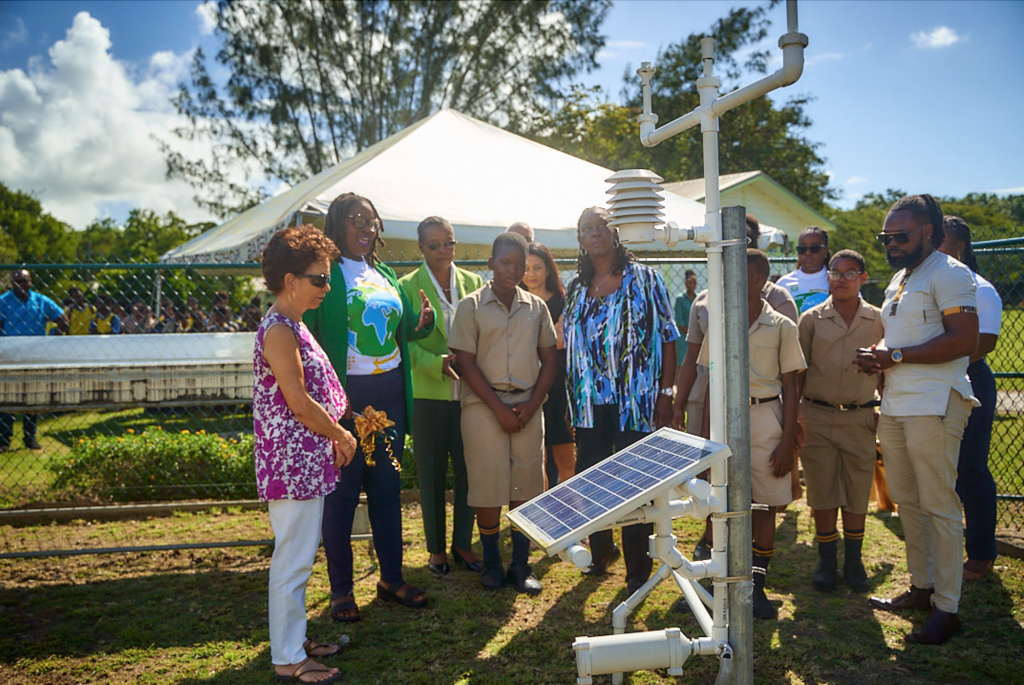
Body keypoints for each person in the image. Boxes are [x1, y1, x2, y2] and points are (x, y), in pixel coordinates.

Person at [304, 192, 435, 621]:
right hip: (347, 401)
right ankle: (341, 590)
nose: (367, 228)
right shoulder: (326, 275)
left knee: (386, 490)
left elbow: (397, 331)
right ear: (337, 224)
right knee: (342, 497)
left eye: (372, 221)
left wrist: (421, 325)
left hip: (390, 396)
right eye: (357, 220)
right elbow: (307, 335)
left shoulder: (385, 274)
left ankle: (391, 578)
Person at [856, 194, 978, 645]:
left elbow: (964, 340)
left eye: (900, 236)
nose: (891, 243)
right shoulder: (901, 277)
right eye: (885, 237)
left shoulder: (950, 273)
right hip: (897, 405)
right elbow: (899, 339)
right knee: (907, 501)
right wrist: (879, 358)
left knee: (939, 505)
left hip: (936, 403)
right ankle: (922, 587)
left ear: (929, 232)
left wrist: (895, 357)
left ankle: (948, 608)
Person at [255, 225, 357, 685]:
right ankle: (287, 659)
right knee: (292, 560)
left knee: (297, 557)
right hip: (291, 464)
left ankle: (294, 641)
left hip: (303, 461)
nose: (326, 287)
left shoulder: (291, 324)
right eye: (319, 278)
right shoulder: (280, 330)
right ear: (290, 280)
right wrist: (341, 435)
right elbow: (297, 402)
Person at [564, 207, 678, 596]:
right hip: (588, 403)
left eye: (601, 226)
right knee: (592, 480)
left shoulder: (646, 278)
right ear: (580, 239)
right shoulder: (576, 287)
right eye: (586, 228)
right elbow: (570, 348)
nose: (594, 233)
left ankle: (637, 570)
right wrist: (570, 402)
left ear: (615, 233)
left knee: (633, 483)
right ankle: (601, 552)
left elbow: (668, 337)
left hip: (637, 400)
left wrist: (666, 392)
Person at [698, 249, 806, 619]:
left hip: (765, 417)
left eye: (738, 274)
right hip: (725, 417)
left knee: (764, 506)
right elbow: (710, 381)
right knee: (718, 504)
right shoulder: (721, 322)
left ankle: (755, 588)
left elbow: (791, 387)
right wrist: (705, 441)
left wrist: (788, 442)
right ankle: (713, 587)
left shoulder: (782, 326)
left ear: (758, 279)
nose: (729, 280)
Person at [449, 232, 557, 594]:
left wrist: (532, 404)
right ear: (491, 263)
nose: (513, 270)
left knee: (526, 483)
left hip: (527, 404)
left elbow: (550, 360)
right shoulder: (471, 306)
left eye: (519, 265)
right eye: (505, 263)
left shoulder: (536, 308)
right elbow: (465, 361)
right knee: (488, 484)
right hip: (484, 405)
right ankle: (492, 562)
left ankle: (520, 565)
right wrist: (499, 410)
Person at [398, 216, 484, 576]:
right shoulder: (405, 287)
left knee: (470, 472)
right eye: (434, 245)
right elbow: (402, 344)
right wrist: (437, 364)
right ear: (421, 247)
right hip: (428, 396)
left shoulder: (474, 283)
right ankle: (435, 550)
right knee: (431, 475)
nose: (443, 251)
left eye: (449, 243)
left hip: (469, 397)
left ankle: (463, 543)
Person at [797, 249, 883, 593]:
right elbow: (799, 371)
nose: (841, 279)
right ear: (827, 276)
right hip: (817, 415)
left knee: (857, 490)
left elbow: (887, 371)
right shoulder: (811, 319)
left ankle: (854, 562)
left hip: (861, 416)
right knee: (821, 490)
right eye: (835, 272)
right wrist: (798, 416)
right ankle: (827, 561)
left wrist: (883, 406)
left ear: (863, 278)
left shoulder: (878, 319)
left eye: (850, 273)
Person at [939, 215, 1002, 581]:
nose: (934, 248)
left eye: (942, 240)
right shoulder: (929, 283)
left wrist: (936, 361)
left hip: (969, 380)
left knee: (970, 469)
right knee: (941, 470)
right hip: (934, 380)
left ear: (960, 246)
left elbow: (984, 343)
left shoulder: (981, 289)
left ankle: (980, 555)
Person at [520, 240, 575, 488]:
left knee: (566, 461)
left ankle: (572, 510)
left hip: (559, 390)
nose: (531, 274)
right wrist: (550, 338)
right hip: (527, 388)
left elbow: (563, 343)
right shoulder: (514, 304)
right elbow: (551, 343)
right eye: (526, 268)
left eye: (537, 267)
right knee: (536, 462)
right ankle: (544, 512)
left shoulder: (563, 302)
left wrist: (533, 342)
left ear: (548, 270)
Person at [0, 269, 68, 452]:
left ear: (30, 282)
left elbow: (63, 320)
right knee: (6, 396)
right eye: (16, 281)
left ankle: (30, 437)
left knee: (33, 395)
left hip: (35, 354)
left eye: (23, 281)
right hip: (10, 355)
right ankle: (4, 439)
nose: (20, 285)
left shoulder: (40, 300)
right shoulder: (3, 301)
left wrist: (51, 340)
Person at [777, 226, 832, 314]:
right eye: (802, 249)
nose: (808, 253)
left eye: (814, 248)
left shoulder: (836, 281)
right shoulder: (783, 283)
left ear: (825, 251)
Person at [673, 269, 698, 359]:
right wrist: (690, 334)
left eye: (694, 283)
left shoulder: (698, 298)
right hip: (684, 337)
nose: (692, 285)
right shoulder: (680, 299)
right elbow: (679, 321)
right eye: (690, 283)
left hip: (697, 335)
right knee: (683, 361)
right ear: (685, 284)